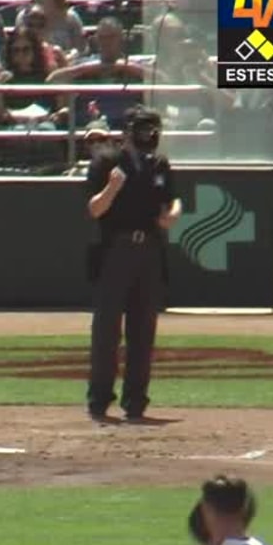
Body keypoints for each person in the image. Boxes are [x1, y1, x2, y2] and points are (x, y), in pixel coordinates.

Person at [84, 106, 180, 422]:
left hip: (149, 250)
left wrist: (174, 212)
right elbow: (95, 210)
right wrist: (112, 187)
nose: (150, 136)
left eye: (154, 129)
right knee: (107, 330)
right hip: (116, 249)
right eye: (143, 129)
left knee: (143, 330)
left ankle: (136, 401)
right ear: (127, 132)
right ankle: (99, 399)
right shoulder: (106, 162)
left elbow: (172, 197)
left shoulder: (159, 165)